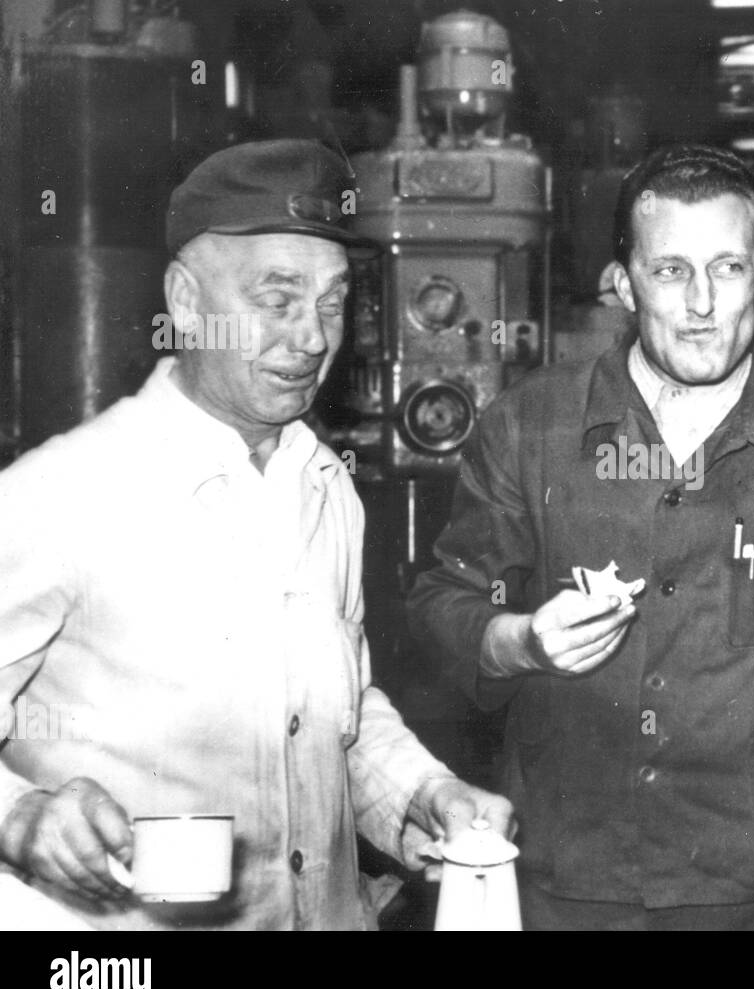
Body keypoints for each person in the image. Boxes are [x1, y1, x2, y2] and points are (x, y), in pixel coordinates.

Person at [0, 139, 511, 930]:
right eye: (277, 300)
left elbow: (335, 713)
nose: (312, 338)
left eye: (334, 301)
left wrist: (422, 793)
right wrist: (21, 815)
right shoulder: (61, 494)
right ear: (186, 301)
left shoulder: (326, 484)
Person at [406, 143, 754, 931]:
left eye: (729, 268)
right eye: (671, 270)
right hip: (565, 886)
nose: (702, 301)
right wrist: (520, 639)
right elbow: (441, 604)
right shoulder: (530, 427)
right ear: (624, 283)